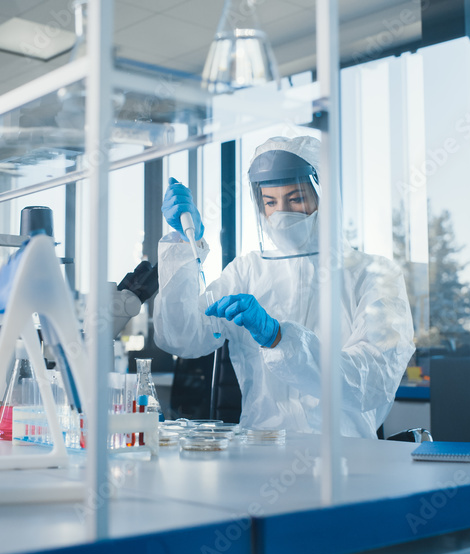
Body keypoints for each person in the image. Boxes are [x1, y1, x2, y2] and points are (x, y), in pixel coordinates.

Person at [154, 136, 415, 438]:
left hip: (344, 452)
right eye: (270, 202)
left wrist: (279, 338)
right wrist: (184, 244)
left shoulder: (375, 274)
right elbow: (181, 336)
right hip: (260, 448)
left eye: (295, 199)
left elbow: (372, 381)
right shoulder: (247, 270)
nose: (282, 213)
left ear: (325, 199)